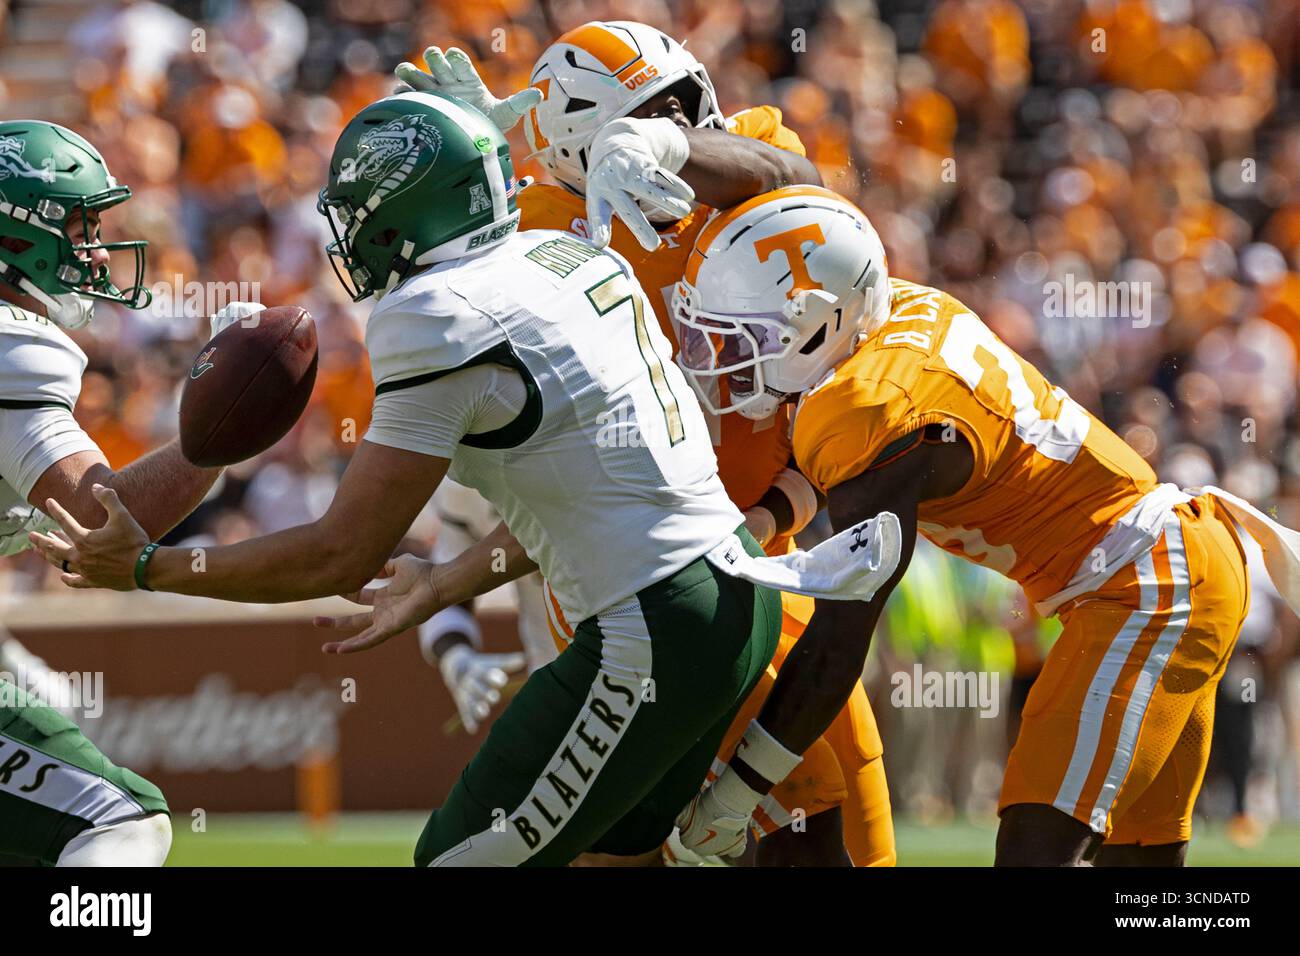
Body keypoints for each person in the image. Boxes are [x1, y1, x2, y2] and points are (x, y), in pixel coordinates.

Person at [30, 94, 897, 866]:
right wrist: (445, 580)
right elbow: (595, 486)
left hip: (653, 629)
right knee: (618, 855)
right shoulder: (571, 259)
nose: (350, 234)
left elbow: (340, 554)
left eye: (361, 211)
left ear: (408, 211)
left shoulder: (432, 315)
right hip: (734, 594)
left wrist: (151, 568)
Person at [669, 185, 1300, 866]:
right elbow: (844, 478)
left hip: (1145, 587)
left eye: (747, 336)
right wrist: (758, 522)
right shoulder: (893, 313)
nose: (720, 358)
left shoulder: (866, 410)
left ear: (819, 321)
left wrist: (738, 794)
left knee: (1035, 848)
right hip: (1176, 564)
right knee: (1139, 869)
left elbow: (839, 638)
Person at [396, 21, 896, 866]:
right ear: (570, 151)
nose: (681, 124)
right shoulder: (529, 233)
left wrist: (656, 142)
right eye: (649, 112)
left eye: (680, 106)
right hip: (631, 577)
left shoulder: (740, 165)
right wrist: (461, 165)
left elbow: (800, 183)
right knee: (646, 843)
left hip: (757, 553)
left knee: (838, 822)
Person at [0, 119, 231, 865]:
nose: (96, 250)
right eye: (78, 225)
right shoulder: (14, 344)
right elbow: (105, 529)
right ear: (12, 238)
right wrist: (220, 432)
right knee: (121, 823)